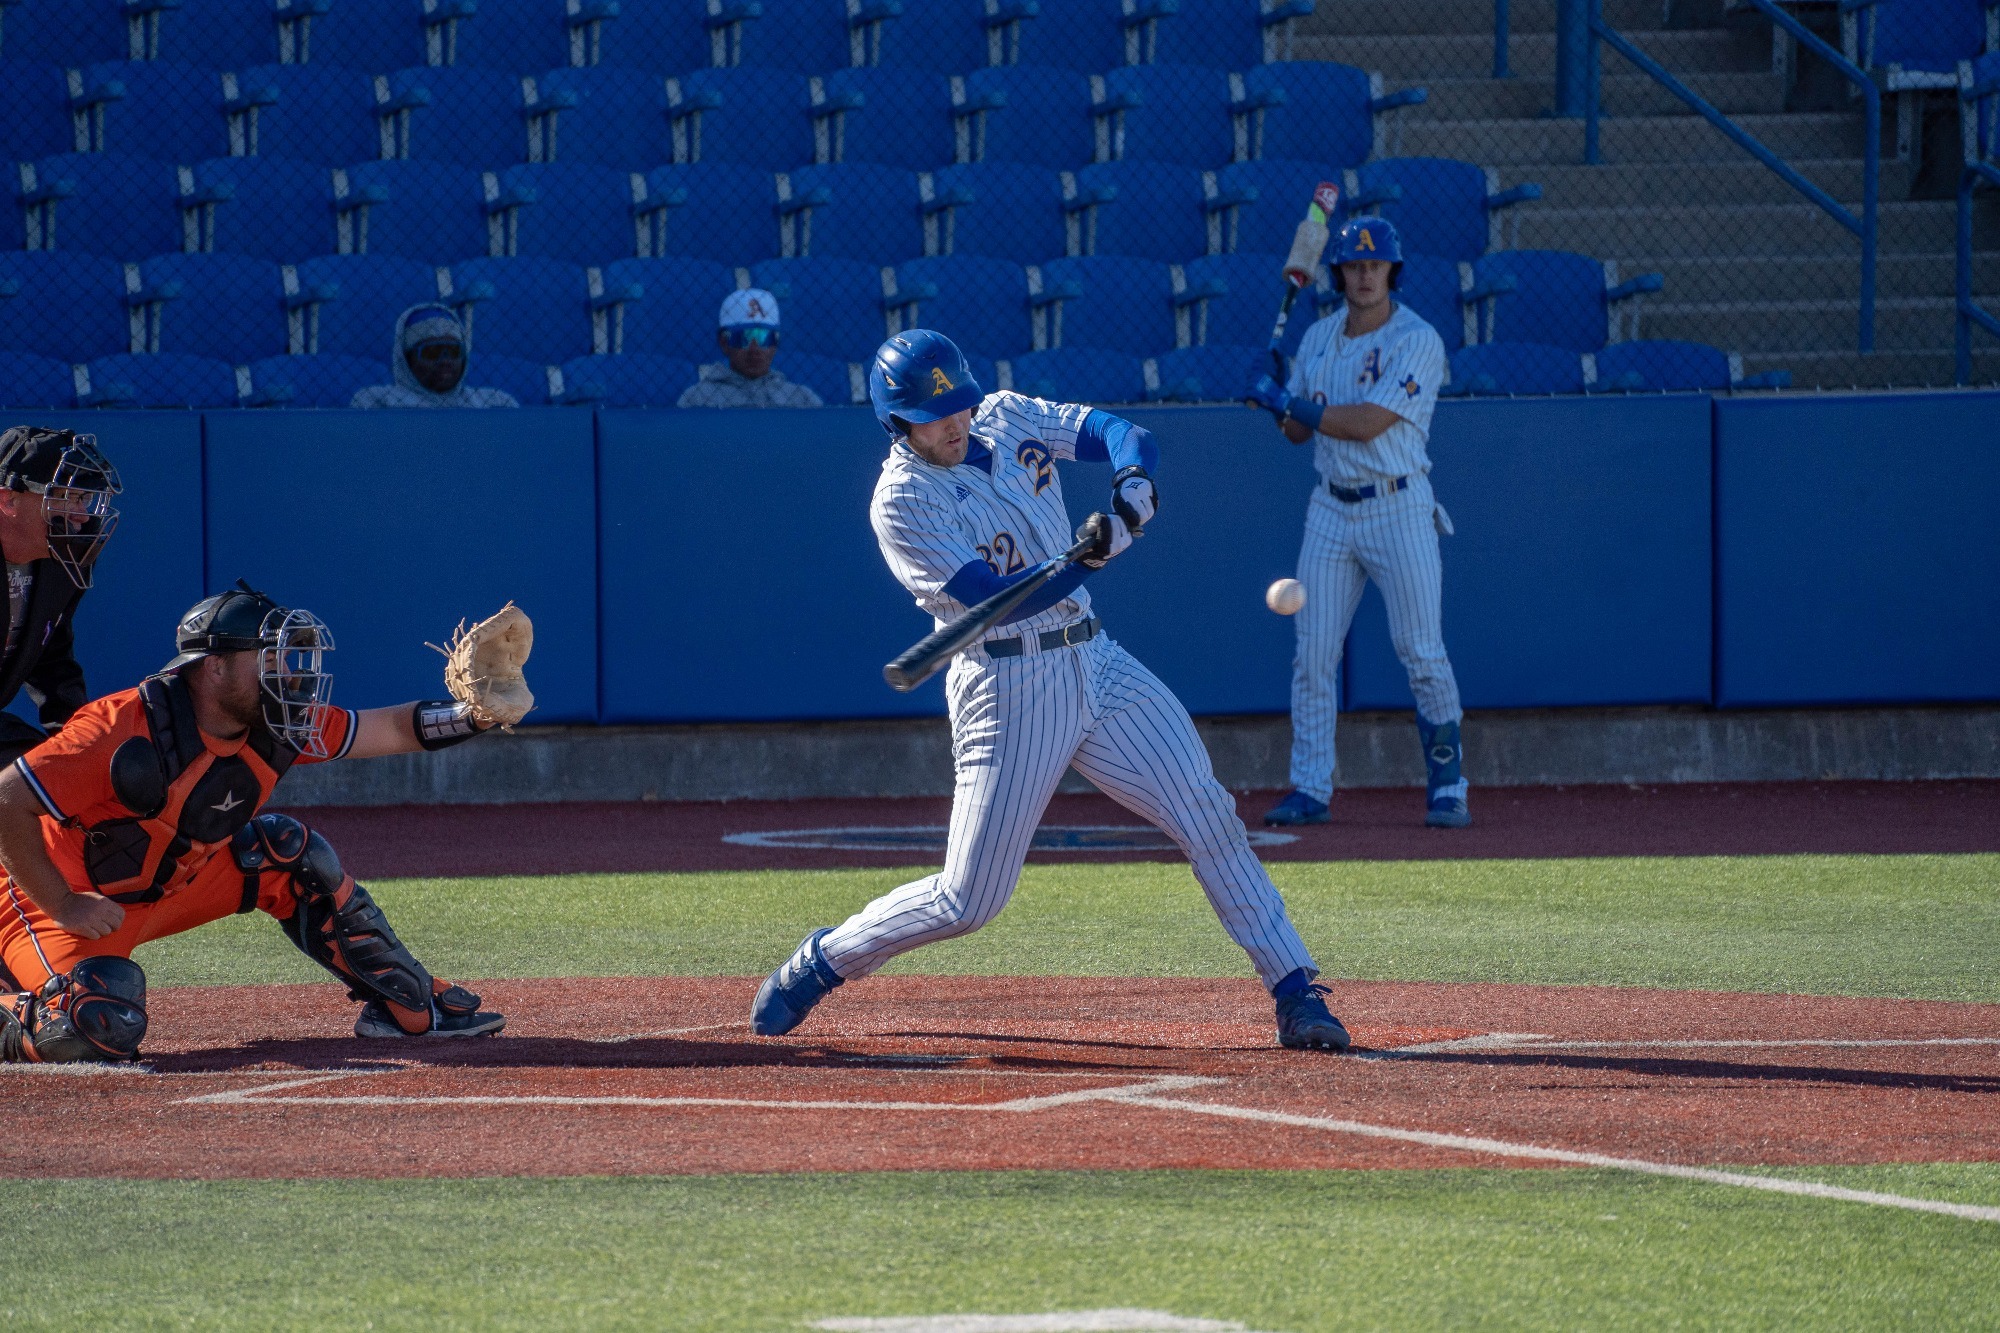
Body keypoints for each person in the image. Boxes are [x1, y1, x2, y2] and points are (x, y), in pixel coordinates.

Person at [748, 329, 1350, 1052]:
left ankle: (1294, 987)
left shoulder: (1005, 414)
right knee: (969, 899)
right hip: (1008, 684)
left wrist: (1131, 487)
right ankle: (828, 958)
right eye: (931, 414)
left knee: (1206, 811)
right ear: (896, 421)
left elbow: (1119, 432)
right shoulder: (901, 500)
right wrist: (1100, 551)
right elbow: (999, 599)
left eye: (958, 404)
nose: (953, 421)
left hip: (1095, 657)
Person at [0, 583, 522, 1064]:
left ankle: (409, 1003)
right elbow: (6, 800)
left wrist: (473, 714)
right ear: (214, 668)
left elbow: (384, 728)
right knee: (98, 1024)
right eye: (270, 658)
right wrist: (63, 904)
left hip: (170, 887)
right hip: (53, 906)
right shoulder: (117, 729)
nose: (290, 673)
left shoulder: (275, 719)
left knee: (286, 850)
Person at [1245, 216, 1469, 830]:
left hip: (1399, 505)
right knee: (1313, 654)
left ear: (1392, 271)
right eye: (1354, 265)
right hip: (1331, 508)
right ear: (1339, 272)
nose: (1365, 274)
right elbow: (1296, 433)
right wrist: (1274, 396)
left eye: (1376, 265)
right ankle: (1310, 787)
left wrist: (1289, 402)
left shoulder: (1417, 339)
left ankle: (1449, 783)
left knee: (1420, 651)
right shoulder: (1317, 338)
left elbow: (1368, 422)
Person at [0, 426, 121, 767]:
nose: (81, 517)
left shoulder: (63, 560)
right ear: (8, 499)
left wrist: (75, 738)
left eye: (83, 499)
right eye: (65, 498)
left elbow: (50, 655)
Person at [676, 288, 824, 409]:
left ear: (776, 344)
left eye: (763, 337)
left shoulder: (802, 400)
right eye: (742, 338)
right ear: (724, 343)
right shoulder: (697, 399)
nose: (755, 349)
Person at [350, 305, 519, 409]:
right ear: (407, 359)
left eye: (453, 352)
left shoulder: (493, 403)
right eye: (431, 352)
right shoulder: (378, 402)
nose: (445, 361)